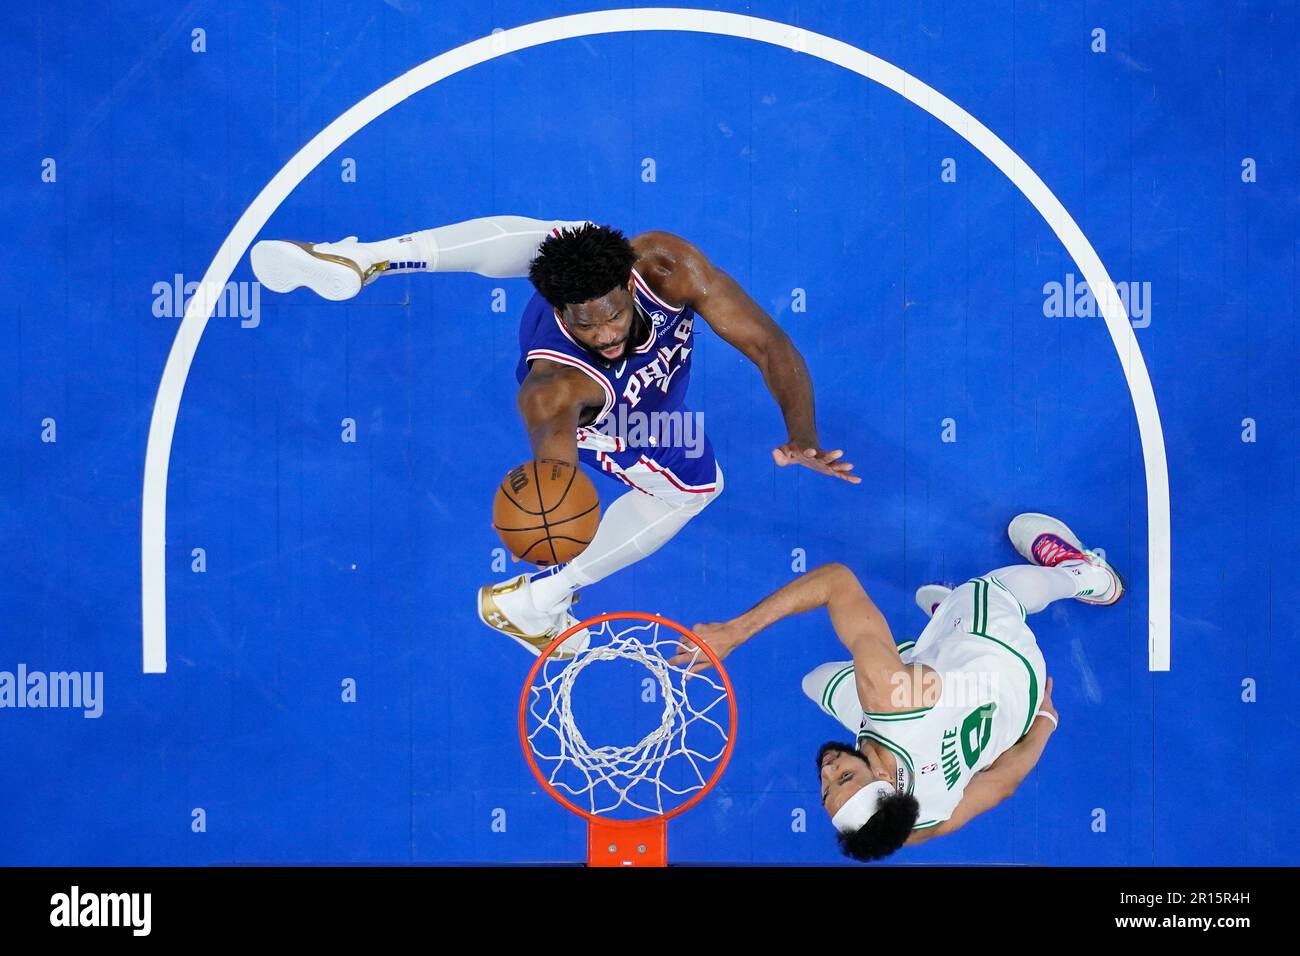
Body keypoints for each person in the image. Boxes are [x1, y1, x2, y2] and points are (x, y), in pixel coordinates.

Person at [251, 216, 859, 657]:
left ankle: (371, 255)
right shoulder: (555, 387)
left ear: (630, 282)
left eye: (615, 312)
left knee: (564, 237)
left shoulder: (662, 263)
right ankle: (538, 599)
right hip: (623, 422)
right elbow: (556, 464)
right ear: (561, 315)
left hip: (595, 278)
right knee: (698, 487)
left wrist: (801, 433)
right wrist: (554, 501)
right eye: (584, 322)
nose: (606, 331)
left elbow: (768, 343)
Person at [671, 512, 1123, 861]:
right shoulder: (887, 698)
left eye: (827, 790)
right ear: (885, 780)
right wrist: (735, 631)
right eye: (844, 775)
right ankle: (1085, 575)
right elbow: (835, 581)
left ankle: (935, 640)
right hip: (1002, 664)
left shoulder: (910, 823)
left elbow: (1002, 784)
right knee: (988, 592)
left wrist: (1042, 722)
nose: (827, 769)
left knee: (816, 683)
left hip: (1014, 715)